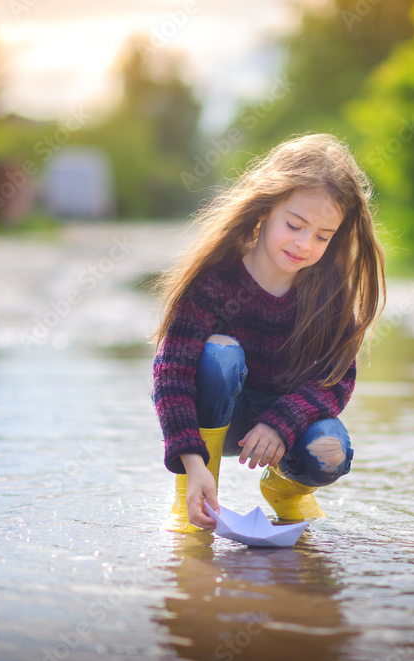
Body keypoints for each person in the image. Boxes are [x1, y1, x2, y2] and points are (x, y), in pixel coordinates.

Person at [151, 133, 386, 532]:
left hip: (284, 426)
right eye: (294, 225)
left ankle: (285, 489)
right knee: (220, 354)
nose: (304, 244)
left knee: (330, 451)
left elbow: (337, 381)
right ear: (265, 210)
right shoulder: (215, 279)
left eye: (322, 236)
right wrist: (192, 466)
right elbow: (171, 374)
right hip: (218, 422)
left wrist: (282, 422)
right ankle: (194, 492)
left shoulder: (331, 293)